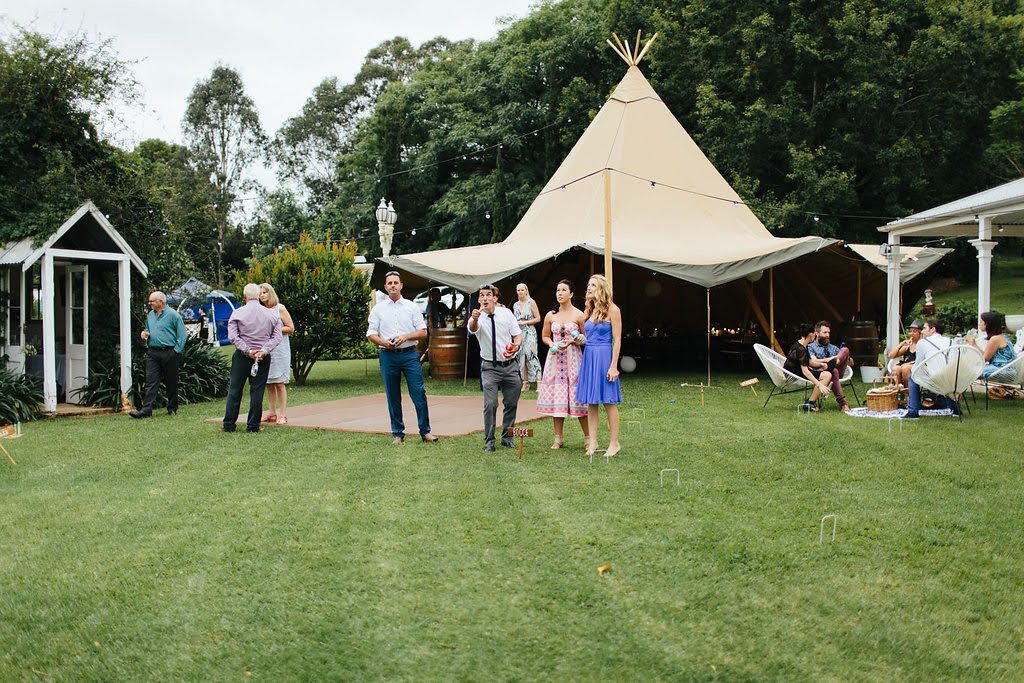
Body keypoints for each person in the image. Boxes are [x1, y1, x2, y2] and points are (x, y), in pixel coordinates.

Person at [366, 271, 439, 444]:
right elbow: (371, 333)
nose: (392, 285)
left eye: (395, 282)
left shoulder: (411, 307)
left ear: (401, 285)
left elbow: (423, 331)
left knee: (418, 392)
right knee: (393, 395)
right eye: (389, 283)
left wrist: (406, 337)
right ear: (385, 287)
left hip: (409, 355)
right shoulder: (378, 309)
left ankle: (425, 431)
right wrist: (384, 343)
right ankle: (397, 433)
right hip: (388, 356)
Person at [468, 284, 523, 452]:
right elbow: (473, 328)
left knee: (511, 403)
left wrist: (516, 346)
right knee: (490, 404)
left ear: (495, 298)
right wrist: (476, 318)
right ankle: (489, 441)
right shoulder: (475, 318)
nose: (484, 298)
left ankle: (507, 437)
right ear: (478, 299)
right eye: (481, 295)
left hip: (510, 366)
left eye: (488, 295)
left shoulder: (506, 314)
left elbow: (517, 335)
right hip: (490, 368)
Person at [223, 283, 283, 433]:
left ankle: (229, 424)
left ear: (244, 297)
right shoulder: (271, 314)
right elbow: (277, 337)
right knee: (257, 391)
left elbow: (233, 337)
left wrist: (248, 350)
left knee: (235, 389)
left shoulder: (237, 313)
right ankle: (253, 426)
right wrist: (263, 350)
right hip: (262, 357)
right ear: (258, 296)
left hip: (243, 357)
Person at [537, 279, 589, 449]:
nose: (559, 293)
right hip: (555, 361)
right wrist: (552, 344)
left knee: (578, 399)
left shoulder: (579, 315)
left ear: (571, 294)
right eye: (558, 290)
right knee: (556, 398)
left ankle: (588, 437)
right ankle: (558, 438)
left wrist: (577, 341)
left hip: (573, 360)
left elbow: (585, 338)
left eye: (563, 290)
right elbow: (545, 336)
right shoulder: (551, 315)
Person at [575, 274, 623, 457]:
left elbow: (617, 340)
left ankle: (614, 442)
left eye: (592, 285)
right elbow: (588, 336)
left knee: (609, 401)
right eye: (588, 285)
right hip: (589, 356)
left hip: (604, 357)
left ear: (601, 289)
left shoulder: (613, 310)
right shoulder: (589, 310)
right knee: (592, 402)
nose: (588, 288)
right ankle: (593, 441)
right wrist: (580, 340)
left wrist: (613, 366)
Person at [131, 290, 188, 418]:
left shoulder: (174, 315)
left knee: (171, 381)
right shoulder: (150, 315)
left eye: (152, 301)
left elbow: (182, 335)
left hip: (169, 352)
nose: (149, 303)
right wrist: (144, 333)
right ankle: (146, 410)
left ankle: (172, 408)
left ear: (160, 302)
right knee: (151, 381)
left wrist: (176, 351)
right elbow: (147, 329)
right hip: (153, 352)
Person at [903, 318, 954, 419]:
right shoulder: (952, 341)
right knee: (948, 380)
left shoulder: (923, 343)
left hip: (935, 378)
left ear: (933, 329)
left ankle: (913, 411)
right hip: (953, 378)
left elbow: (918, 365)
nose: (922, 331)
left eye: (925, 328)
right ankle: (955, 408)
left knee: (913, 376)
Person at [259, 283, 294, 425]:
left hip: (280, 348)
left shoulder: (280, 308)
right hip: (266, 348)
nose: (262, 295)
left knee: (279, 382)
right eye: (260, 293)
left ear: (270, 293)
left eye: (264, 292)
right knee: (268, 382)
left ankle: (283, 413)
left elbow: (291, 327)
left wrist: (276, 331)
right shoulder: (260, 311)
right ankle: (271, 412)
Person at [783, 322, 833, 412]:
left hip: (797, 371)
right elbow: (805, 371)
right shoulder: (801, 349)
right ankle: (810, 403)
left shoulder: (802, 345)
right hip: (793, 374)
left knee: (826, 374)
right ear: (810, 334)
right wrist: (819, 385)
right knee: (827, 375)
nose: (815, 335)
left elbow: (808, 361)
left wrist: (820, 365)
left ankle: (811, 402)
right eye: (814, 333)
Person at [808, 320, 854, 412]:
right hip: (821, 373)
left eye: (828, 332)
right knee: (833, 371)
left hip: (837, 369)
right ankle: (843, 404)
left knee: (844, 349)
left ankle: (834, 363)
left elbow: (851, 364)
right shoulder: (811, 347)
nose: (828, 335)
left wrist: (847, 358)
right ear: (817, 333)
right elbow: (813, 360)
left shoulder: (834, 348)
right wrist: (828, 360)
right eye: (825, 332)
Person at [968, 311, 1017, 378]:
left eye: (981, 322)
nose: (979, 324)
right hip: (1007, 369)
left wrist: (973, 345)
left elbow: (984, 359)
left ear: (988, 324)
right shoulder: (1001, 336)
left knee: (969, 370)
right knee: (969, 369)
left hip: (1003, 371)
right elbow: (985, 356)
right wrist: (974, 345)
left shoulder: (995, 339)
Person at [513, 283, 543, 391]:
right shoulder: (515, 305)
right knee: (521, 356)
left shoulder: (531, 302)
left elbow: (538, 318)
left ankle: (539, 381)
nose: (520, 292)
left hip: (529, 331)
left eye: (522, 290)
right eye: (518, 290)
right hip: (519, 332)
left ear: (526, 291)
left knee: (532, 355)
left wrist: (525, 322)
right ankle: (525, 382)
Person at [887, 319, 923, 386]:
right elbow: (891, 356)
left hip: (917, 365)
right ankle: (900, 389)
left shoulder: (923, 344)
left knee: (905, 369)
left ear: (920, 333)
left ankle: (909, 390)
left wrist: (909, 363)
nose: (911, 333)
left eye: (914, 331)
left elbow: (923, 359)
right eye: (910, 331)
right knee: (895, 369)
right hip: (905, 365)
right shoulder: (908, 345)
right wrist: (901, 344)